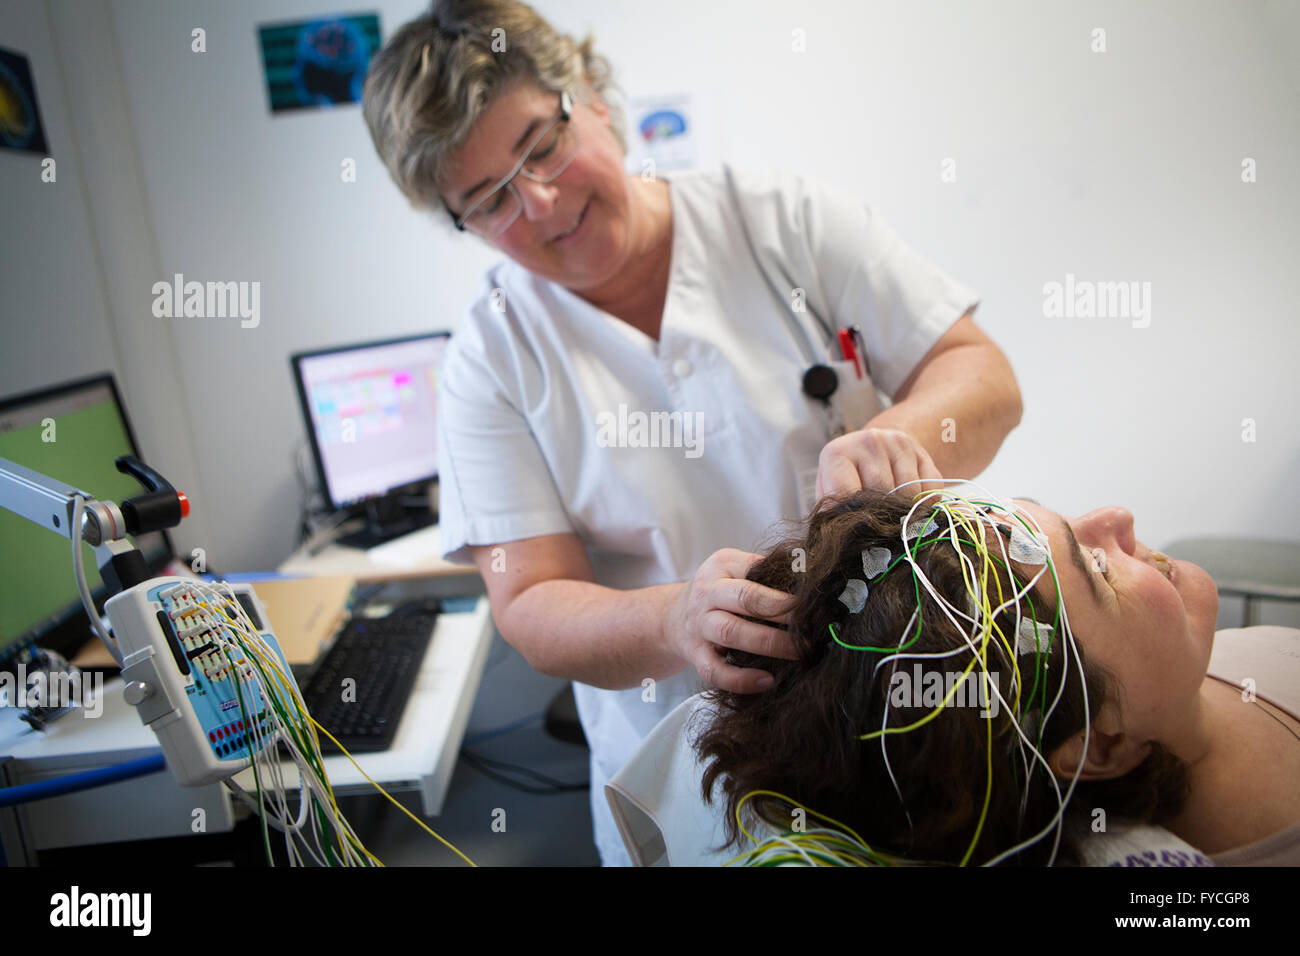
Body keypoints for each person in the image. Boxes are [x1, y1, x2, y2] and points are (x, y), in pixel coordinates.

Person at [362, 0, 1023, 865]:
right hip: (682, 775)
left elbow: (982, 375)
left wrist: (898, 435)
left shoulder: (780, 220)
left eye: (540, 147)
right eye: (489, 200)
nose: (541, 202)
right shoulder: (491, 356)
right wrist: (675, 620)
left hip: (902, 713)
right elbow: (527, 602)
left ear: (593, 96)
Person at [663, 488, 1300, 866]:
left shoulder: (1186, 673)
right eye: (1100, 570)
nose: (1116, 515)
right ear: (1099, 744)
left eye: (1060, 514)